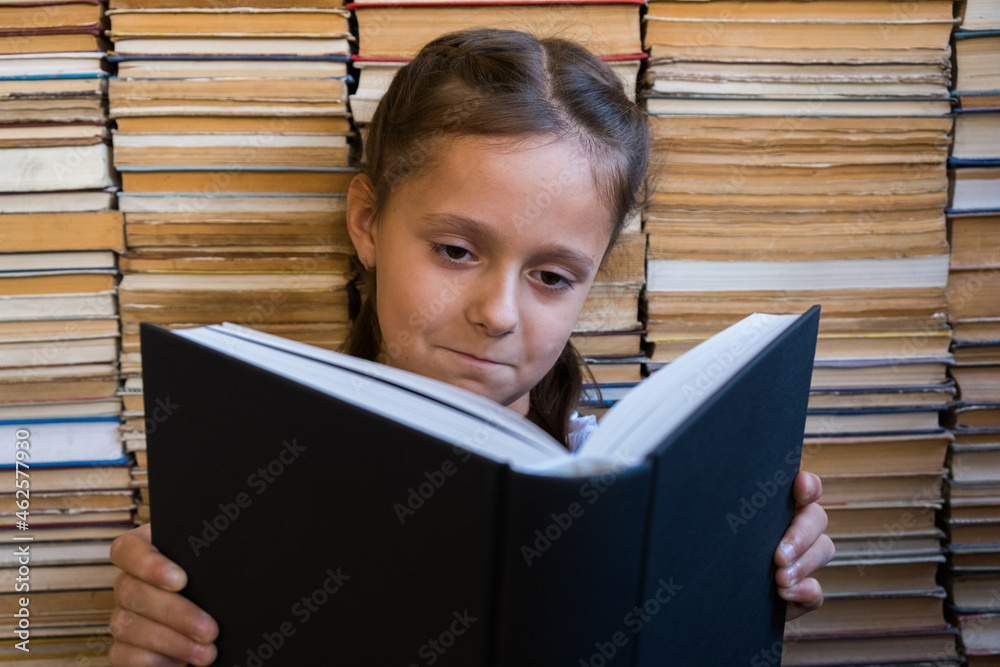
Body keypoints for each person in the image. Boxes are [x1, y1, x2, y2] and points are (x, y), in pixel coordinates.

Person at [108, 29, 835, 666]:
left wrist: (745, 587)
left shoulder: (623, 498)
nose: (496, 314)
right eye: (456, 250)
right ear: (367, 223)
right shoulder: (239, 499)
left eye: (552, 276)